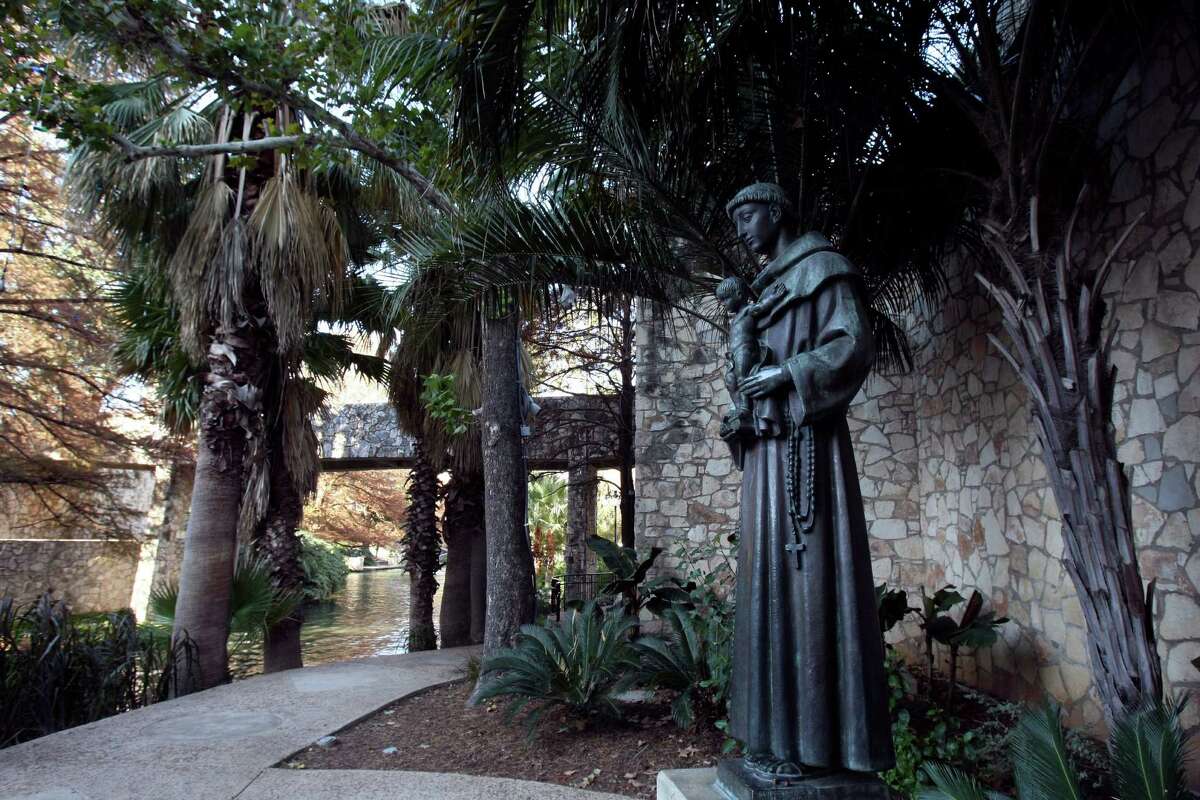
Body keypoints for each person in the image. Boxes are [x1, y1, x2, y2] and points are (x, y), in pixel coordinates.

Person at [722, 182, 894, 781]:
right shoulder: (764, 292)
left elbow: (854, 345)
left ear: (776, 212)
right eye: (737, 222)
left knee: (812, 581)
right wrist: (744, 357)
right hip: (767, 454)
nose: (742, 230)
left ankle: (819, 747)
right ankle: (773, 738)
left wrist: (788, 375)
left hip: (811, 452)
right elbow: (744, 376)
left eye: (748, 216)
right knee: (769, 584)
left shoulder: (824, 269)